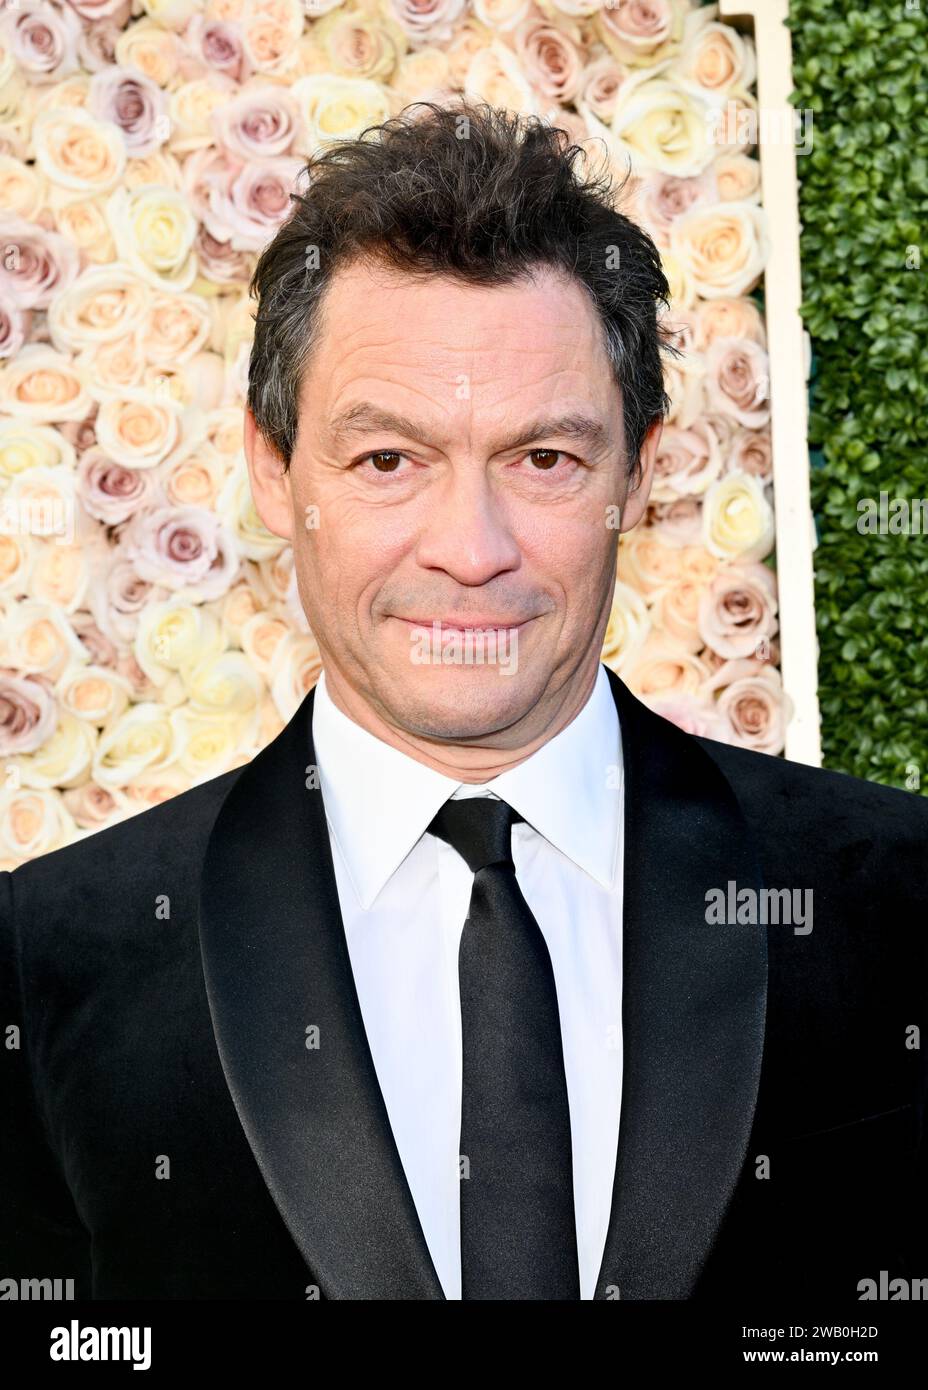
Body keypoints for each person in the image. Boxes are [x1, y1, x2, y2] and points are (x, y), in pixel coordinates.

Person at [1, 102, 925, 1302]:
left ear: (637, 474)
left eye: (544, 459)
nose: (470, 548)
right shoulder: (45, 959)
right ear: (274, 473)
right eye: (388, 461)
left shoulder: (900, 898)